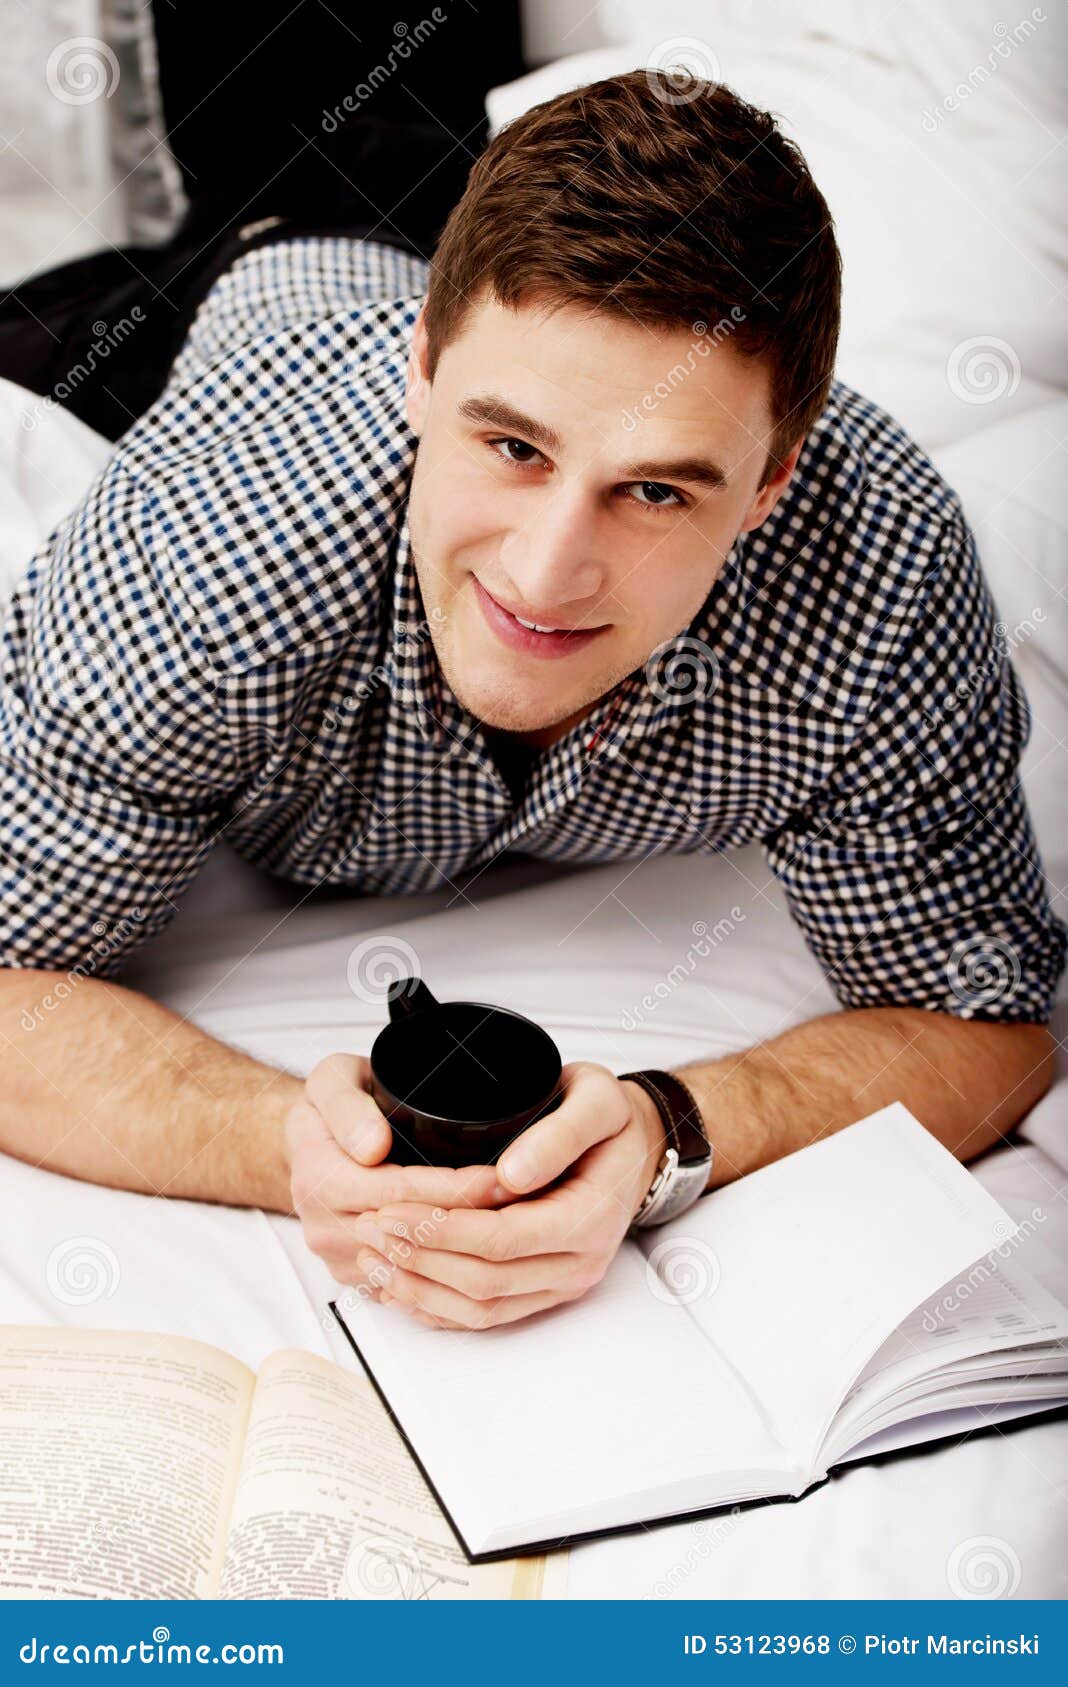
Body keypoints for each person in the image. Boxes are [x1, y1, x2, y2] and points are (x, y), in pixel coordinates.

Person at [1, 72, 1062, 1332]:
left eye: (658, 491)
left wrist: (673, 1130)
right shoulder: (208, 565)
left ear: (774, 480)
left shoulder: (879, 571)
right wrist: (289, 1139)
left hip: (443, 251)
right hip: (261, 269)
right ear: (425, 379)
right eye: (512, 448)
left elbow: (988, 1017)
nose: (546, 575)